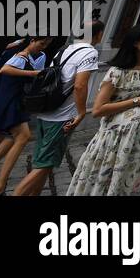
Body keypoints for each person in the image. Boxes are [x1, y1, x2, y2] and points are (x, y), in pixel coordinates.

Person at [67, 24, 140, 196]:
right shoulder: (118, 71)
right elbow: (98, 109)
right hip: (115, 138)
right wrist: (136, 101)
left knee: (128, 179)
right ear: (136, 42)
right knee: (105, 179)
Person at [15, 21, 104, 196]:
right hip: (62, 116)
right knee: (45, 164)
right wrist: (81, 112)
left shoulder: (64, 49)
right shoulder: (89, 52)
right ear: (99, 34)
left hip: (45, 111)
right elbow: (80, 85)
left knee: (42, 162)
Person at [0, 35, 50, 195]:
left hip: (12, 98)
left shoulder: (35, 54)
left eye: (46, 44)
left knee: (6, 136)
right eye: (42, 43)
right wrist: (32, 73)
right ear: (32, 40)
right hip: (8, 99)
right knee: (16, 136)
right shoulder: (19, 54)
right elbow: (2, 70)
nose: (43, 47)